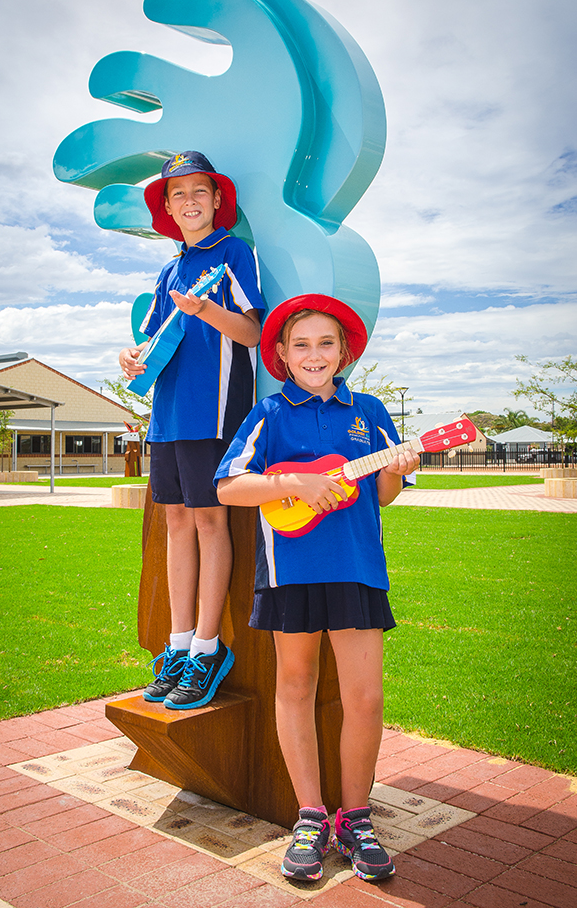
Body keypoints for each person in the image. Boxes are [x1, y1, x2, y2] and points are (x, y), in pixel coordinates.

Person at [215, 294, 419, 883]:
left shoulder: (371, 411)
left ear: (345, 351)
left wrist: (394, 470)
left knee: (365, 698)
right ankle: (310, 817)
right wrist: (298, 484)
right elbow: (229, 487)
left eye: (325, 343)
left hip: (357, 566)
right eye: (300, 344)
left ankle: (356, 816)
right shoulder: (271, 415)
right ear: (280, 353)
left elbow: (382, 495)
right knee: (296, 686)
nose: (313, 354)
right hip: (290, 570)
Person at [119, 152, 264, 710]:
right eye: (177, 194)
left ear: (215, 199)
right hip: (169, 414)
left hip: (217, 412)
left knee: (209, 521)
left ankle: (208, 649)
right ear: (168, 209)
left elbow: (253, 332)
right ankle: (177, 646)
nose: (189, 201)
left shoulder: (234, 253)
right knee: (176, 523)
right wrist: (133, 357)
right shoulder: (166, 271)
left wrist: (207, 311)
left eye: (198, 190)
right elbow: (154, 341)